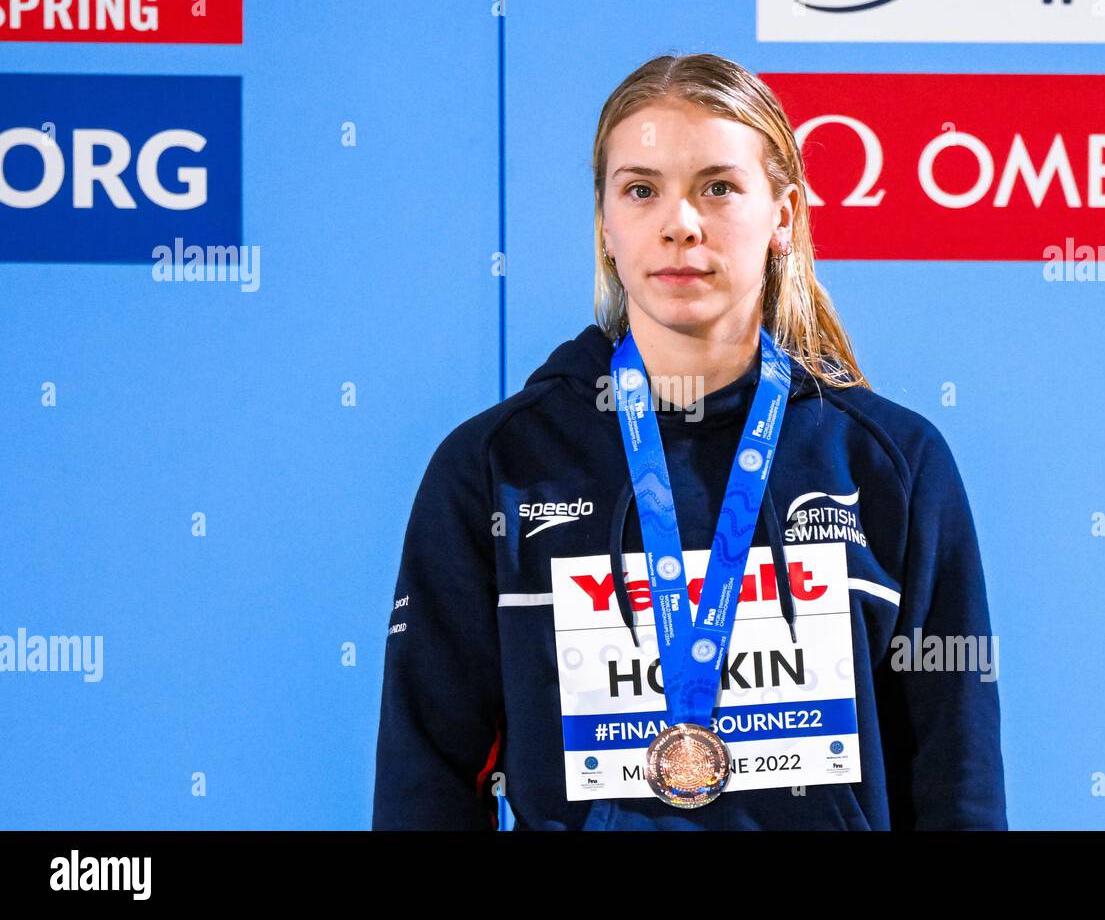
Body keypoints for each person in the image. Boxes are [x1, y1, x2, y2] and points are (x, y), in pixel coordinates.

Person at [371, 52, 1008, 830]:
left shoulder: (892, 462)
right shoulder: (496, 468)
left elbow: (955, 774)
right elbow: (427, 776)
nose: (680, 223)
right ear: (606, 223)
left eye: (718, 187)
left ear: (783, 216)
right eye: (641, 190)